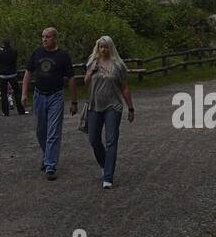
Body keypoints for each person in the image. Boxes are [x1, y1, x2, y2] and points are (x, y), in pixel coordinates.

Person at [21, 27, 77, 180]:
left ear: (55, 38)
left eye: (48, 37)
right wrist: (24, 93)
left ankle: (50, 166)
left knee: (53, 132)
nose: (45, 39)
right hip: (39, 96)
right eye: (43, 36)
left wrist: (74, 101)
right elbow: (28, 72)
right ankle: (47, 156)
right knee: (41, 131)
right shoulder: (37, 52)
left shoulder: (63, 56)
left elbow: (71, 78)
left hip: (56, 97)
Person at [84, 36, 135, 189]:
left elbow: (124, 87)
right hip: (95, 106)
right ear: (97, 48)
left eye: (106, 47)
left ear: (110, 48)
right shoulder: (92, 62)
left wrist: (130, 107)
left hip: (113, 107)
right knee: (94, 139)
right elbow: (86, 82)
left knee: (111, 140)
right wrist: (90, 72)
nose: (103, 49)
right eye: (100, 47)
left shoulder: (118, 66)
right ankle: (105, 164)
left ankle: (108, 176)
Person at [0, 38, 25, 116]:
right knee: (17, 92)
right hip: (12, 74)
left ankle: (5, 112)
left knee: (3, 93)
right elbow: (15, 59)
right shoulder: (14, 51)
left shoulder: (0, 53)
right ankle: (21, 110)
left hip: (3, 75)